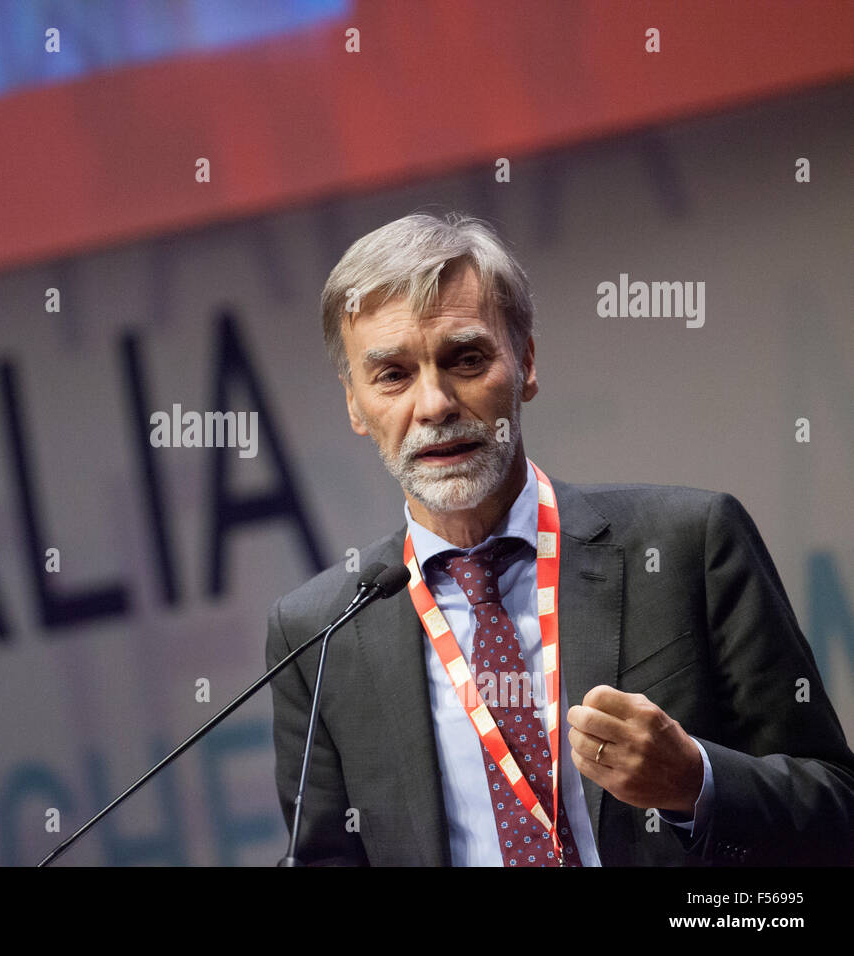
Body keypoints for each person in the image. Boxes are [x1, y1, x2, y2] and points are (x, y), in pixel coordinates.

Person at [266, 212, 854, 865]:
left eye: (466, 358)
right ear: (355, 404)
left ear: (527, 363)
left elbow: (836, 807)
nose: (433, 405)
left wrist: (697, 783)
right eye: (393, 375)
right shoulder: (318, 635)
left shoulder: (691, 544)